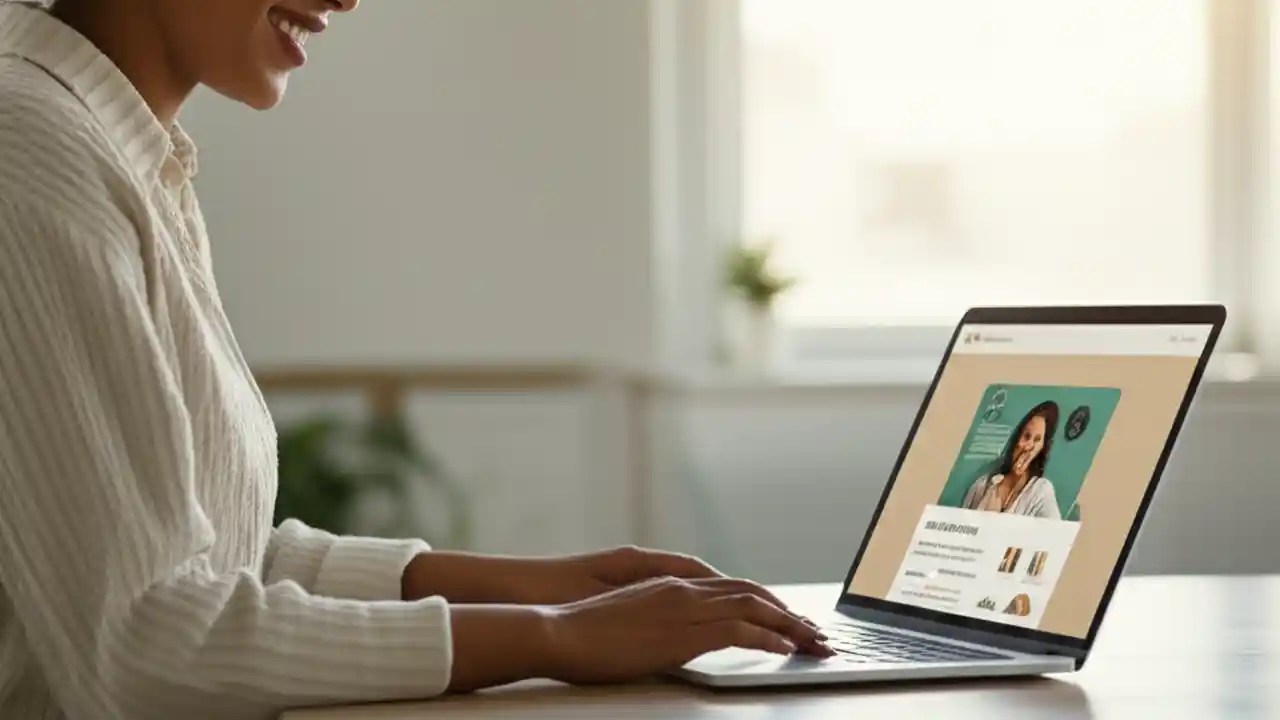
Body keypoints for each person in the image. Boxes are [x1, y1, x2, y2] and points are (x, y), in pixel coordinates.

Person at [0, 1, 832, 717]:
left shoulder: (118, 151)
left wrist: (546, 586)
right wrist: (558, 638)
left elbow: (217, 559)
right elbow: (147, 644)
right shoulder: (32, 155)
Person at [960, 401, 1062, 519]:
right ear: (1017, 438)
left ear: (1041, 449)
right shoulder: (982, 486)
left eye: (1037, 440)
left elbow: (1054, 533)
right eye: (1026, 436)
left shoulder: (1041, 491)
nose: (1028, 447)